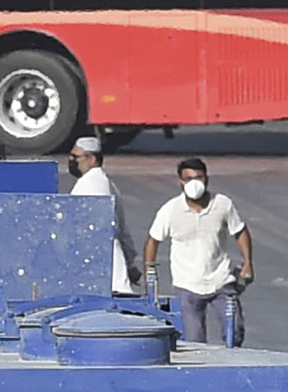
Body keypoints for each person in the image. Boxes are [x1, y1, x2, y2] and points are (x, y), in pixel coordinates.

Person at [143, 157, 254, 345]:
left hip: (221, 280)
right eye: (188, 179)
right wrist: (149, 276)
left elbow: (240, 231)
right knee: (194, 341)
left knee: (234, 331)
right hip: (187, 284)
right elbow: (153, 241)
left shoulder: (222, 204)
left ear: (207, 179)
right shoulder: (170, 210)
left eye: (199, 177)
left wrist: (248, 263)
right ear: (180, 181)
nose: (194, 183)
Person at [67, 135, 138, 294]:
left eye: (76, 157)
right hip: (112, 273)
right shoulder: (105, 183)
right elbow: (122, 230)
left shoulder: (93, 185)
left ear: (92, 159)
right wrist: (130, 263)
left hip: (100, 275)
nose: (72, 161)